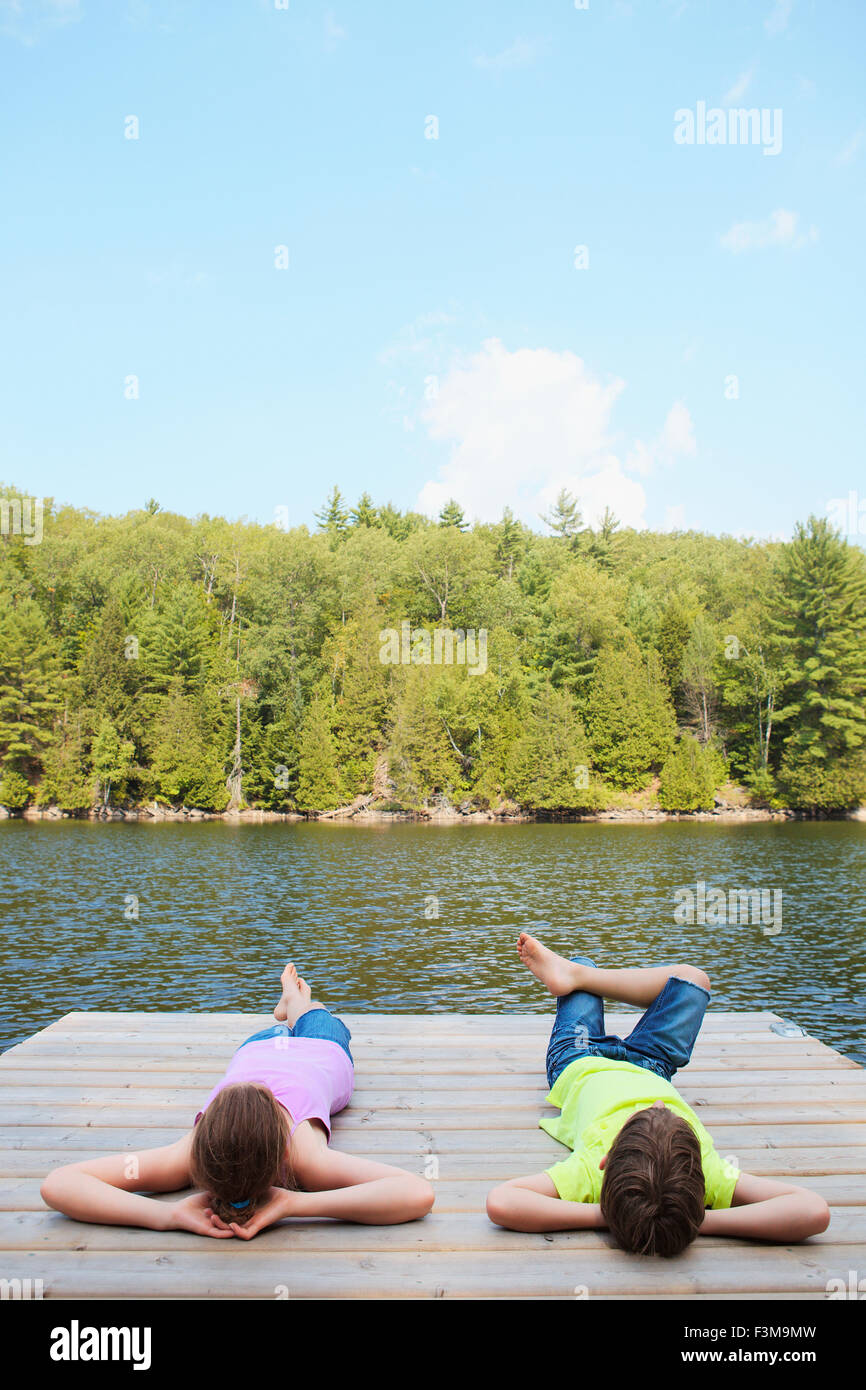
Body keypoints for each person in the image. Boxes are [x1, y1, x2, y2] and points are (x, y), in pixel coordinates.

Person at [486, 934, 831, 1256]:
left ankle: (578, 973)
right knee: (694, 981)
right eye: (666, 1111)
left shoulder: (594, 1170)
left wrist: (613, 1212)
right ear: (696, 1158)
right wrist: (694, 1218)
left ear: (608, 1158)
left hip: (579, 1059)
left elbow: (502, 1202)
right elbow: (812, 1209)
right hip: (653, 1064)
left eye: (650, 1111)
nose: (658, 1102)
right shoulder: (700, 1173)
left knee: (584, 966)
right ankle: (576, 974)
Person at [41, 963, 434, 1238]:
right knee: (321, 1019)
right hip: (318, 1050)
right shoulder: (302, 1156)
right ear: (281, 1136)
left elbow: (62, 1182)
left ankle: (289, 1009)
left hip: (256, 1053)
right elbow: (416, 1192)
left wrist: (165, 1214)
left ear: (208, 1123)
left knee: (289, 1021)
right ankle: (296, 1006)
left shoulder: (191, 1153)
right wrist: (294, 1205)